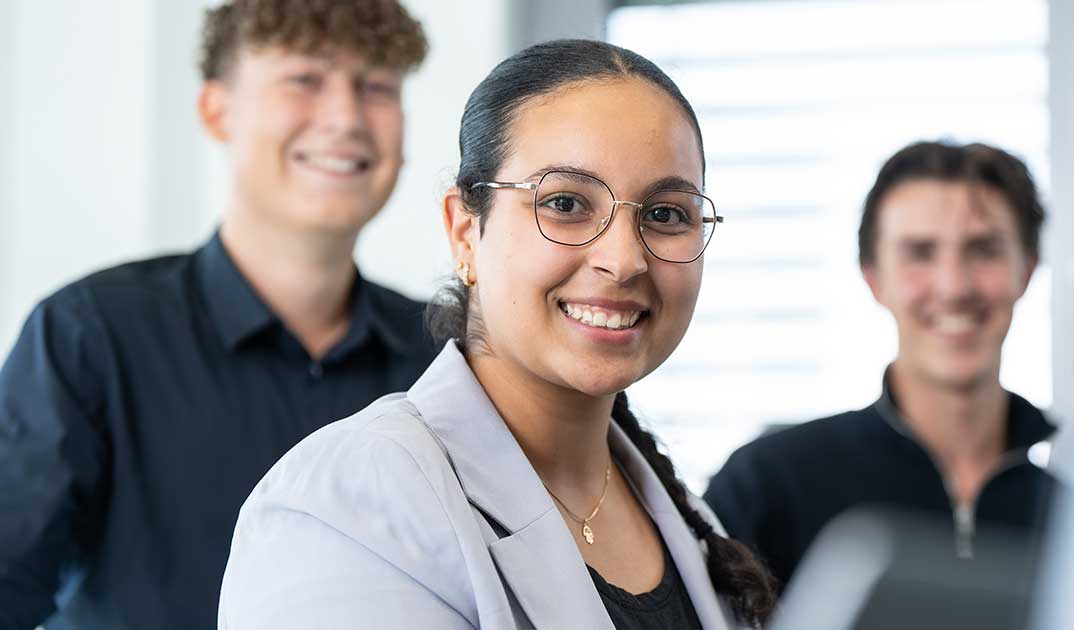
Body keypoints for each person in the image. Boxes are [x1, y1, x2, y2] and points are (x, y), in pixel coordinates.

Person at [217, 39, 777, 630]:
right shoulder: (348, 505)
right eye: (566, 203)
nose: (624, 260)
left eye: (665, 214)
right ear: (465, 232)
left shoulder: (688, 522)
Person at [0, 2, 435, 629]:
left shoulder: (448, 359)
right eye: (304, 79)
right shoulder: (90, 335)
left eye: (377, 87)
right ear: (216, 111)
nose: (346, 117)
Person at [705, 141, 1060, 590]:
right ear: (874, 278)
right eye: (920, 253)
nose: (954, 287)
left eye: (983, 250)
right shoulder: (766, 486)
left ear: (1026, 270)